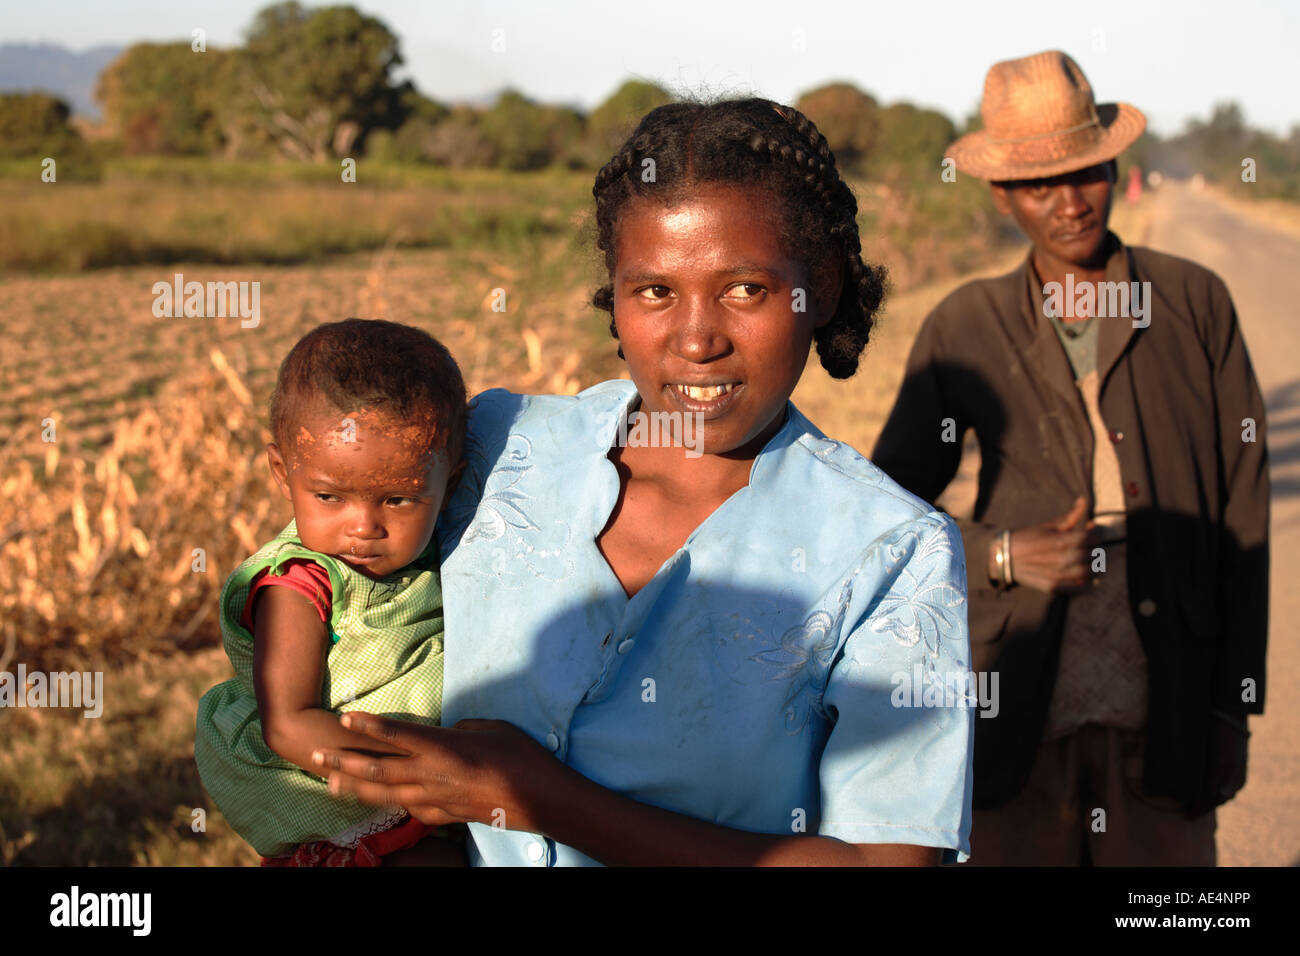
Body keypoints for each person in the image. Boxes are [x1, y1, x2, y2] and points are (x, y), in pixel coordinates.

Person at [309, 98, 975, 865]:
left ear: (817, 289)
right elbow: (323, 595)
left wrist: (541, 799)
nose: (697, 339)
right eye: (655, 291)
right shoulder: (495, 448)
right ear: (616, 298)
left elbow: (882, 862)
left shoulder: (891, 551)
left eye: (745, 290)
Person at [871, 51, 1270, 865]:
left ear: (1113, 165)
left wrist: (1234, 707)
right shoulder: (965, 325)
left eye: (1084, 172)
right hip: (1018, 706)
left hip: (1169, 705)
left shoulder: (1193, 303)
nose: (1067, 201)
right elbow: (887, 510)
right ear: (1000, 194)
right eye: (1038, 184)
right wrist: (1004, 555)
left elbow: (1243, 509)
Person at [195, 318, 468, 866]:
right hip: (348, 807)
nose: (363, 526)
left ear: (451, 485)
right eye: (329, 496)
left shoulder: (448, 551)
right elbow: (289, 723)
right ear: (282, 471)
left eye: (398, 499)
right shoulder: (298, 584)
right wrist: (420, 778)